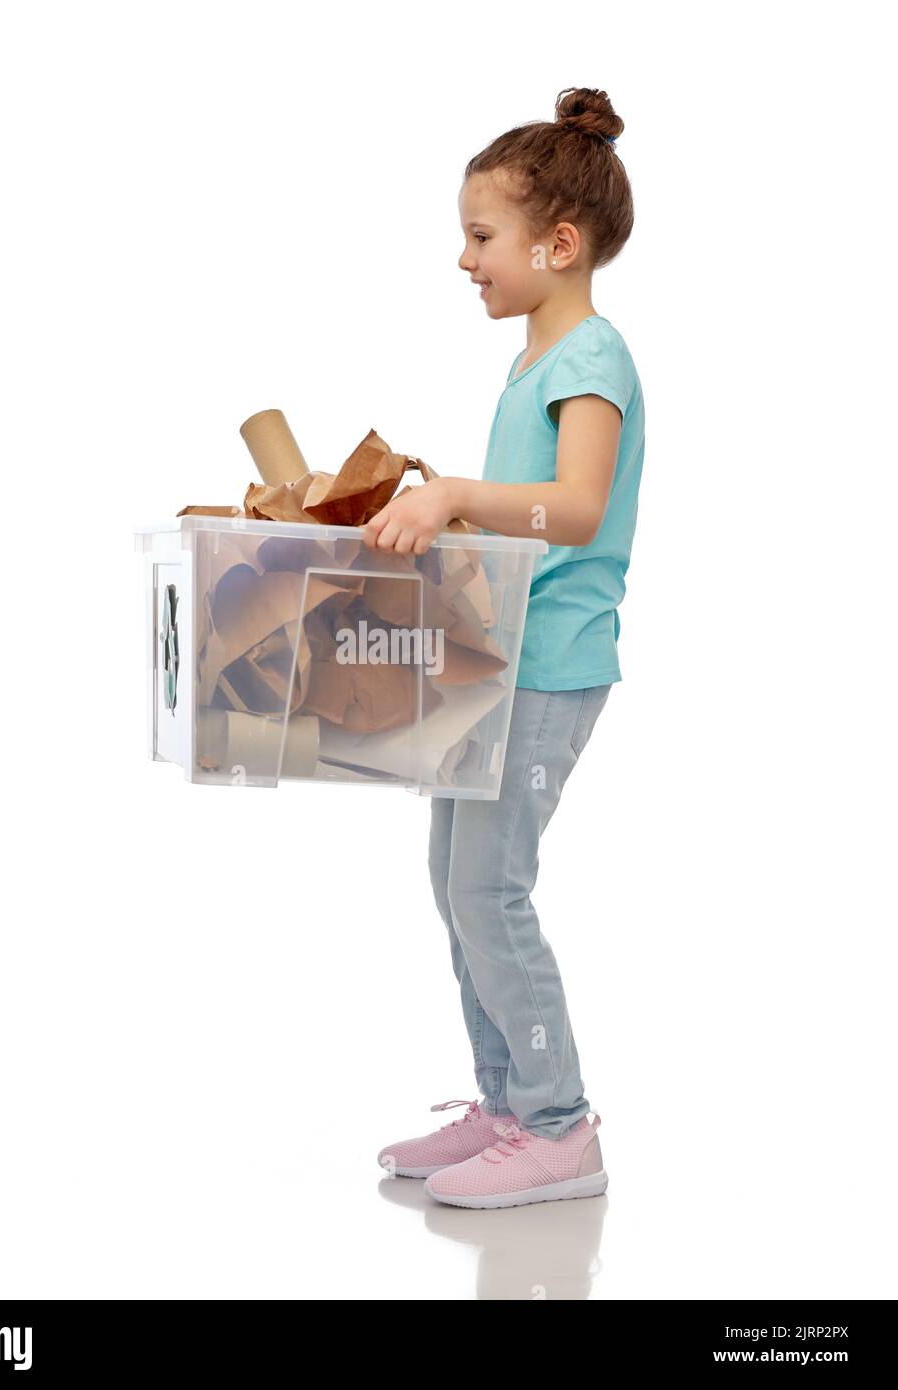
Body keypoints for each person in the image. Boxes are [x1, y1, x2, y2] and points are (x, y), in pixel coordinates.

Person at [364, 87, 645, 1209]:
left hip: (551, 667)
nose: (465, 259)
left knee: (492, 888)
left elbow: (577, 508)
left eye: (482, 237)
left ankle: (560, 1126)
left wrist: (466, 498)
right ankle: (506, 1103)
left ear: (557, 243)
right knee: (457, 882)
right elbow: (522, 514)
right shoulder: (537, 362)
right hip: (500, 659)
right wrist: (442, 511)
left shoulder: (591, 360)